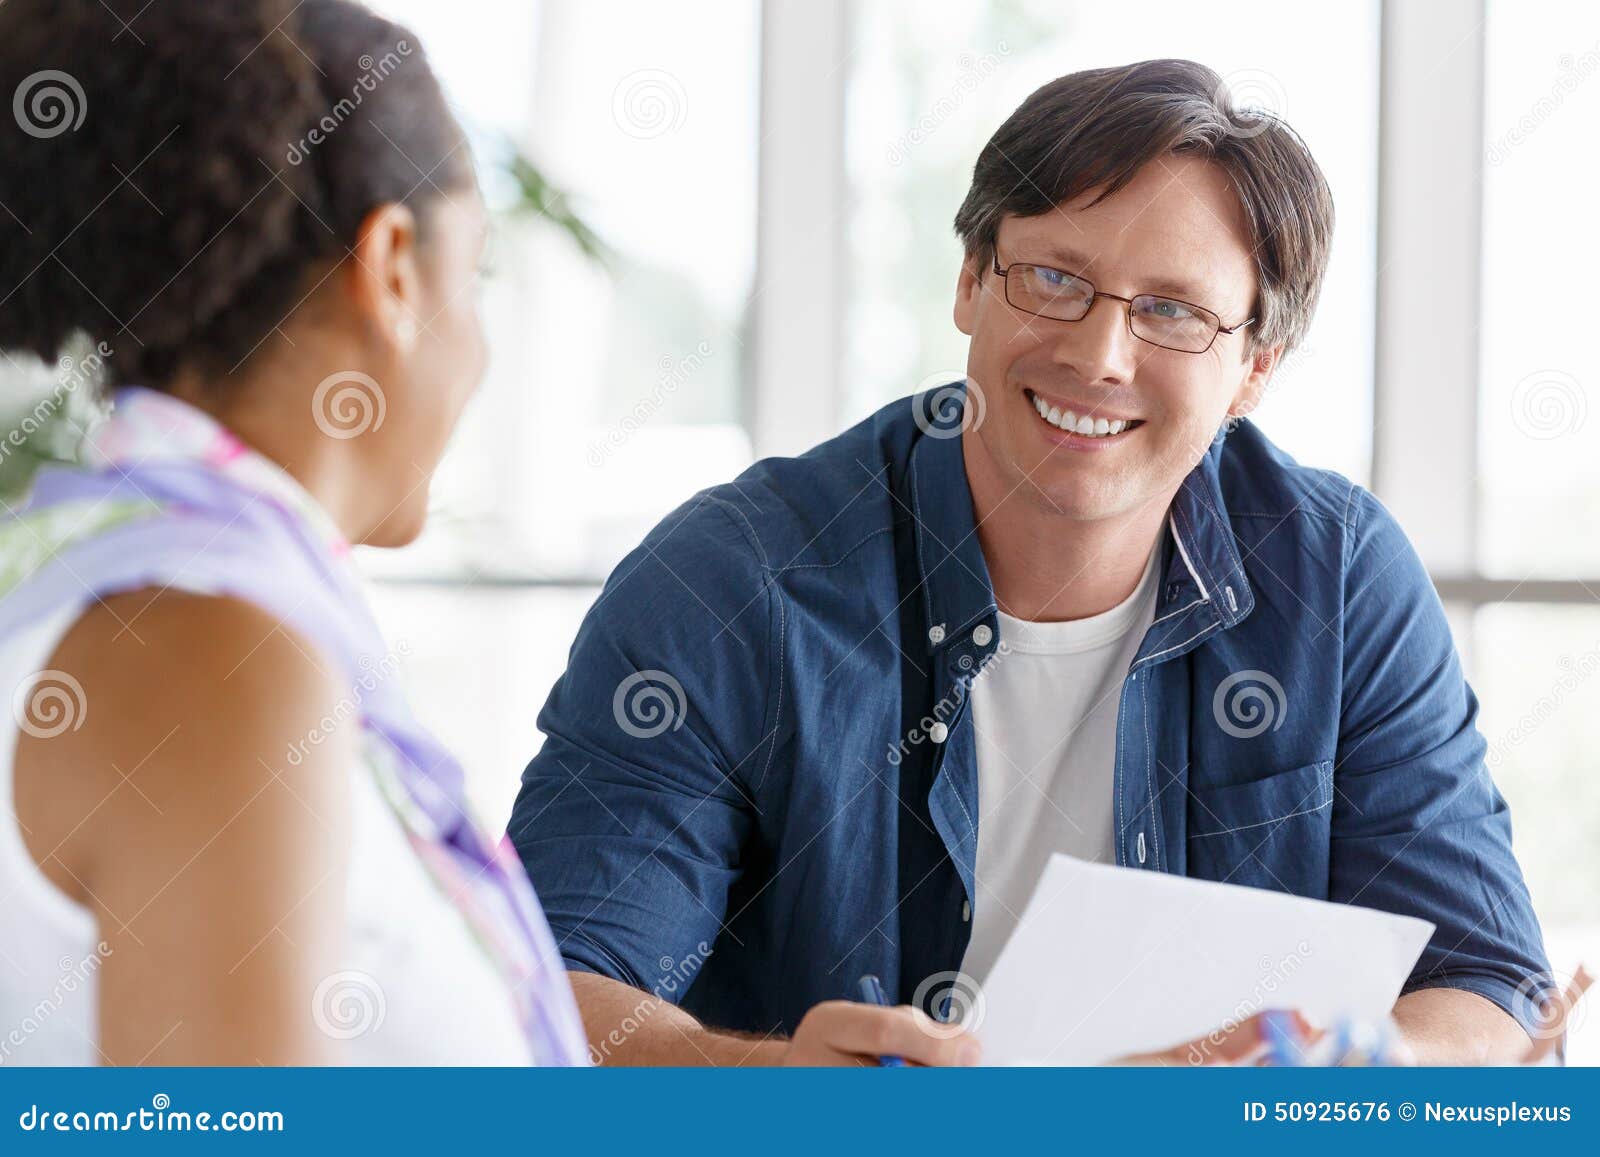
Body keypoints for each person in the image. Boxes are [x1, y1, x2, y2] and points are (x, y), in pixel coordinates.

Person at [511, 58, 1554, 1065]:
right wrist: (771, 1086)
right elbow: (550, 984)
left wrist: (1371, 1063)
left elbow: (1489, 977)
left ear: (1253, 370)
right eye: (1054, 278)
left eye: (1172, 311)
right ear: (971, 282)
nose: (1099, 356)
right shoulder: (732, 579)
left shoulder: (1337, 576)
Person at [0, 0, 585, 1065]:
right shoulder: (215, 653)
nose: (479, 352)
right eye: (477, 281)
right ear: (394, 266)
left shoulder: (128, 585)